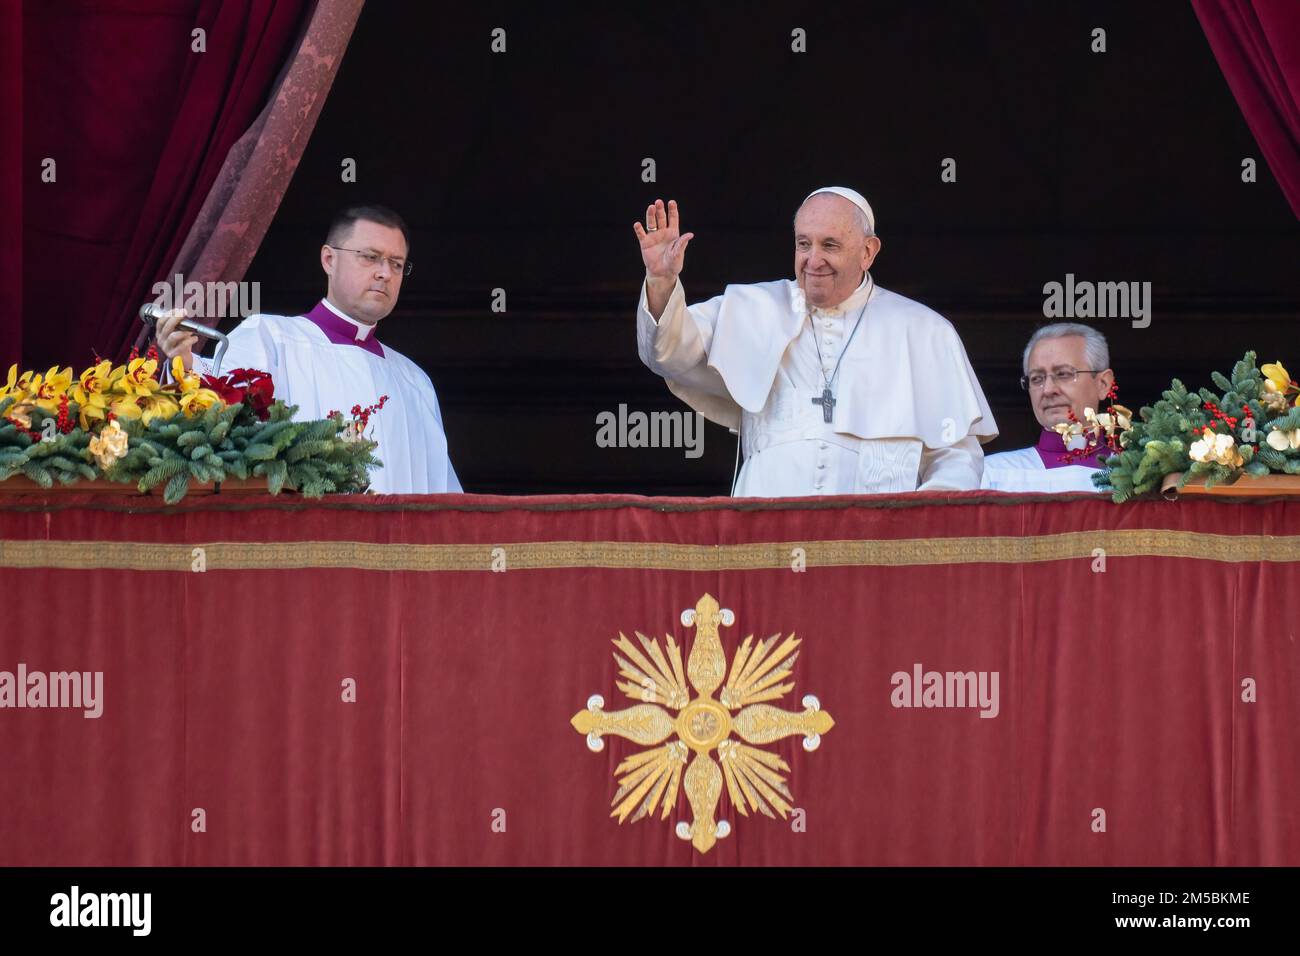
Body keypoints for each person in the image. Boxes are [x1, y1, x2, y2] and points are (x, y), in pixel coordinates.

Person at [634, 187, 996, 495]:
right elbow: (666, 353)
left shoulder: (924, 331)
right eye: (803, 243)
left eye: (830, 245)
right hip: (766, 532)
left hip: (876, 549)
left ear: (868, 252)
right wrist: (661, 281)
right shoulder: (748, 308)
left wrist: (916, 527)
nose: (813, 259)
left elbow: (957, 457)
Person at [156, 204, 461, 494]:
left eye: (396, 264)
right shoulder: (270, 338)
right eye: (370, 257)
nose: (385, 273)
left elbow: (441, 493)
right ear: (329, 259)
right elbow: (221, 426)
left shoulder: (414, 381)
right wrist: (186, 365)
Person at [981, 323, 1113, 492]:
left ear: (1103, 384)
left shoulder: (1143, 475)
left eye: (1064, 374)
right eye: (1037, 378)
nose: (1048, 390)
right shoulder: (992, 474)